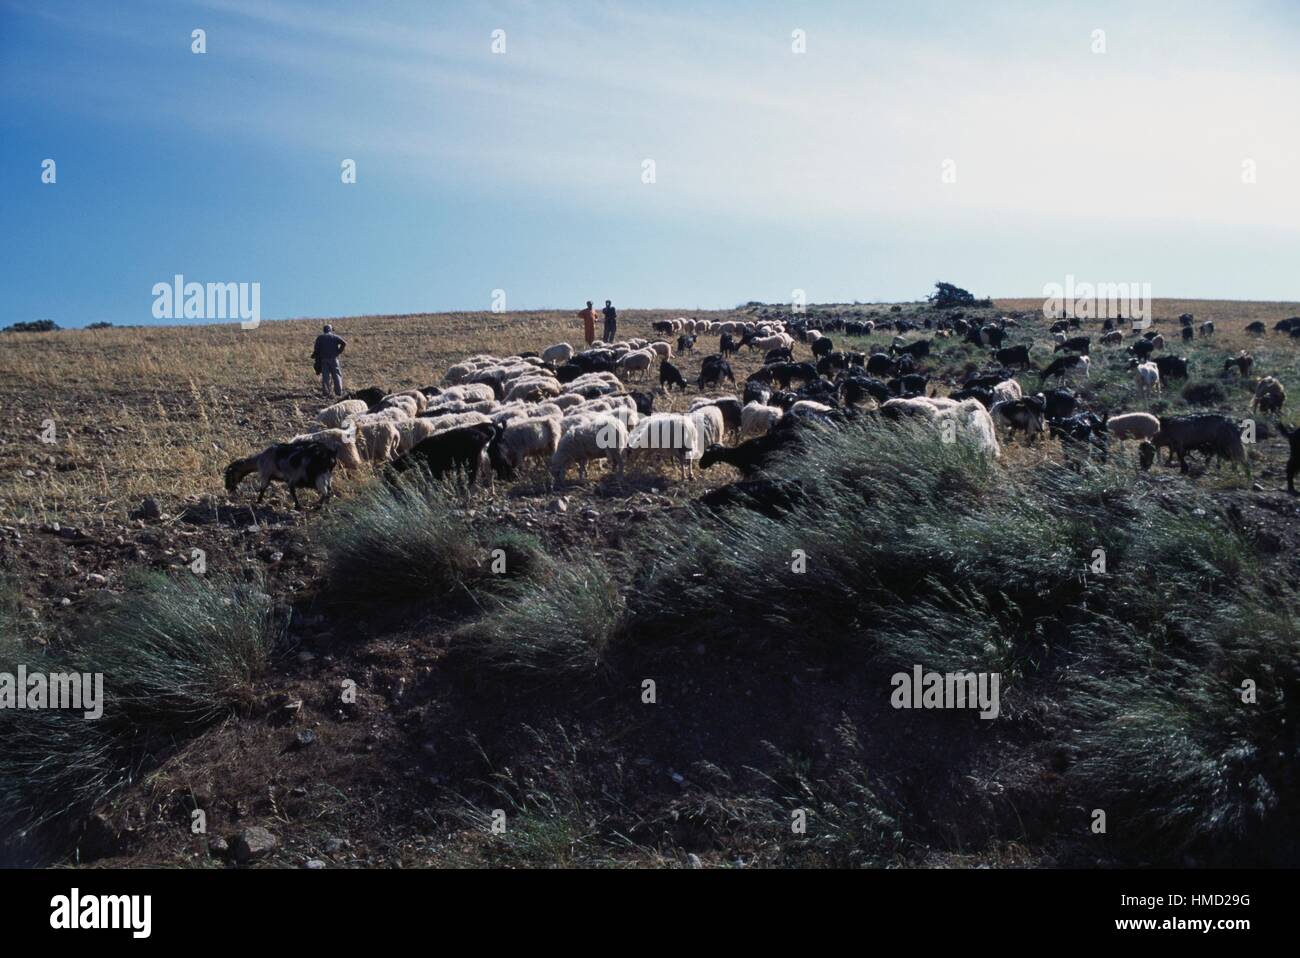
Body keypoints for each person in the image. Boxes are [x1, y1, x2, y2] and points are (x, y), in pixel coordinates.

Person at [312, 324, 347, 397]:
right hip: (334, 359)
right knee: (337, 375)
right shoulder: (335, 337)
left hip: (324, 360)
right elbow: (344, 343)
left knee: (325, 376)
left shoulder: (320, 338)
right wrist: (338, 351)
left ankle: (326, 393)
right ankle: (338, 392)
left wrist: (316, 357)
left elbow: (316, 350)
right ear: (330, 330)